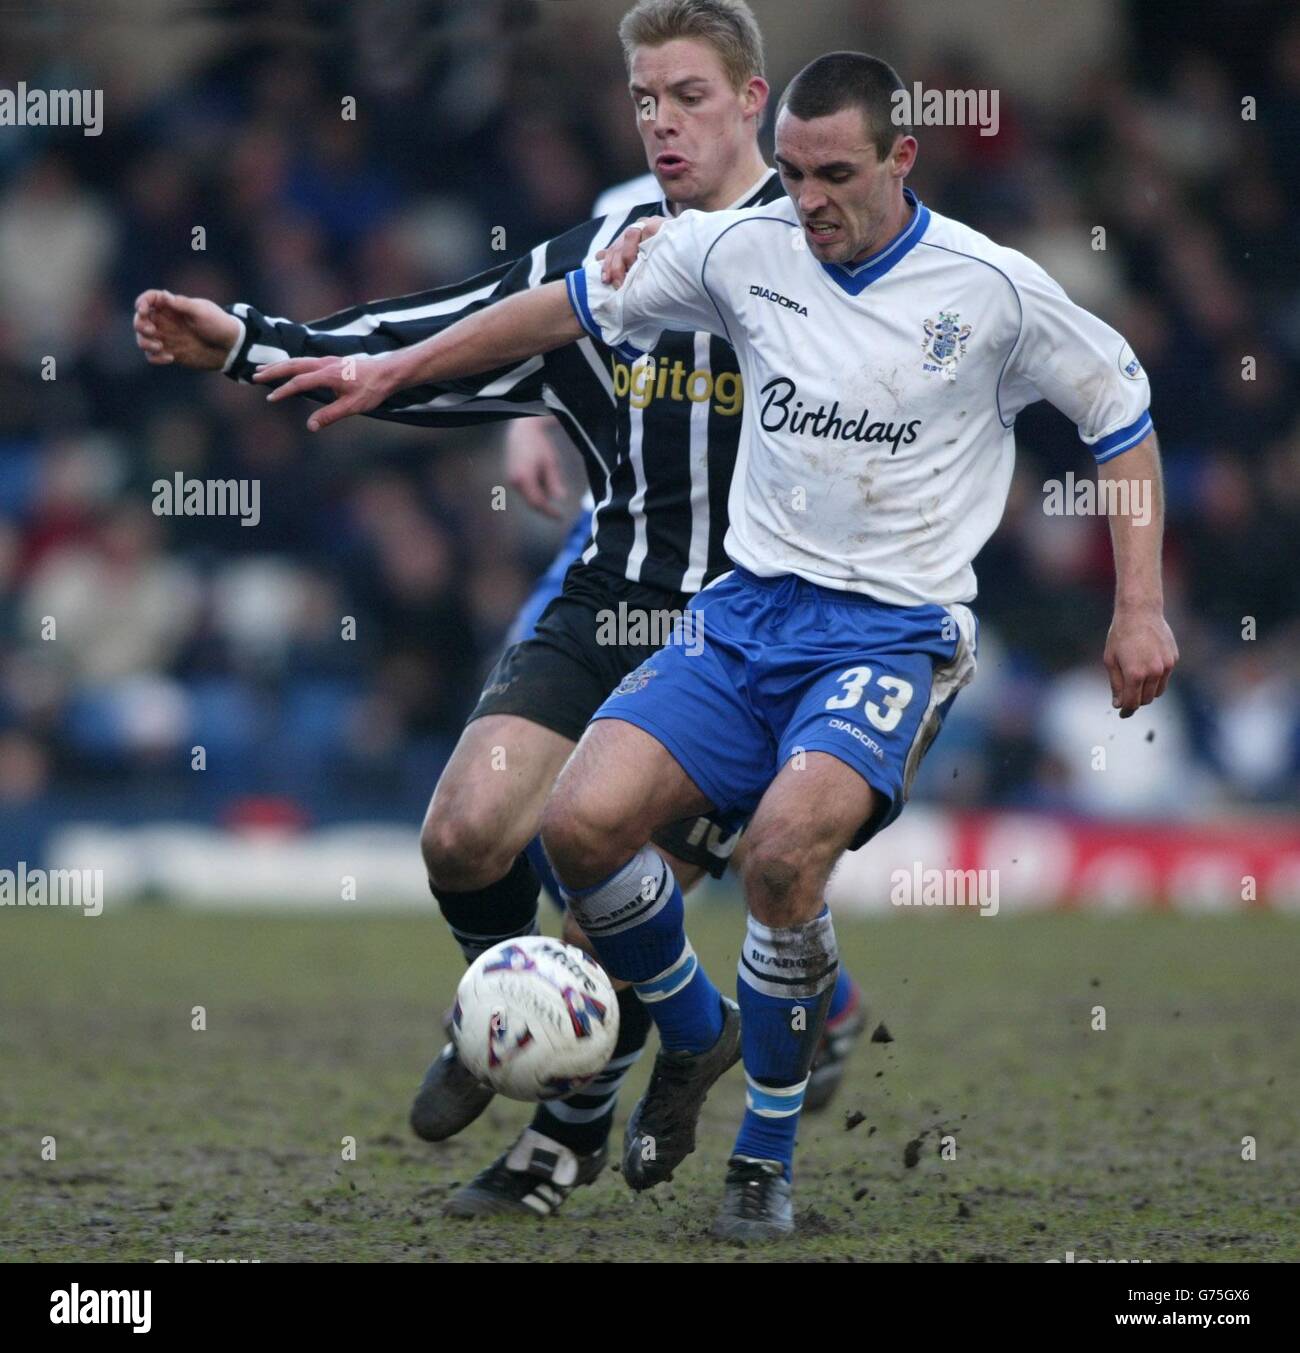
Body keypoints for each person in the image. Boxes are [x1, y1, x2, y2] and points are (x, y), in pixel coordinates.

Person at [242, 50, 1179, 1240]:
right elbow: (562, 306)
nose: (809, 200)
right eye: (790, 173)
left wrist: (1138, 604)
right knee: (574, 826)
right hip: (742, 618)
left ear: (903, 157)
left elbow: (1121, 414)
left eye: (835, 174)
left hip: (887, 637)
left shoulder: (988, 289)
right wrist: (391, 369)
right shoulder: (746, 245)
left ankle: (763, 1160)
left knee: (784, 856)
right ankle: (694, 1036)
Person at [133, 0, 866, 1219]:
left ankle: (565, 1125)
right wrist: (246, 347)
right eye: (643, 99)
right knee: (463, 834)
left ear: (752, 100)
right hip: (612, 588)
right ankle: (521, 1009)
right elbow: (448, 337)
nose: (661, 124)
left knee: (608, 903)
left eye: (688, 96)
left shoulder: (826, 256)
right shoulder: (609, 243)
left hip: (748, 632)